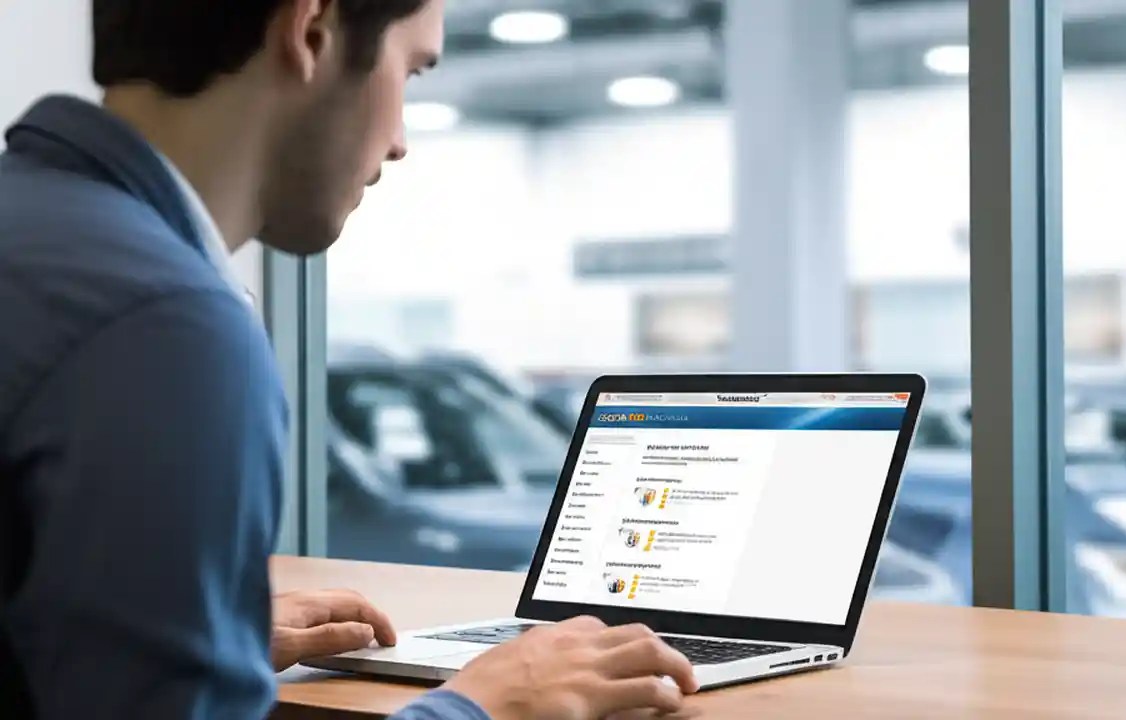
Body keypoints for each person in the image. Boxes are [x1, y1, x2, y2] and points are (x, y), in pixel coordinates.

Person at [0, 1, 697, 718]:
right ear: (311, 33)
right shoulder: (163, 322)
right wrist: (491, 705)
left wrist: (197, 632)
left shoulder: (38, 236)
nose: (398, 142)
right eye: (411, 70)